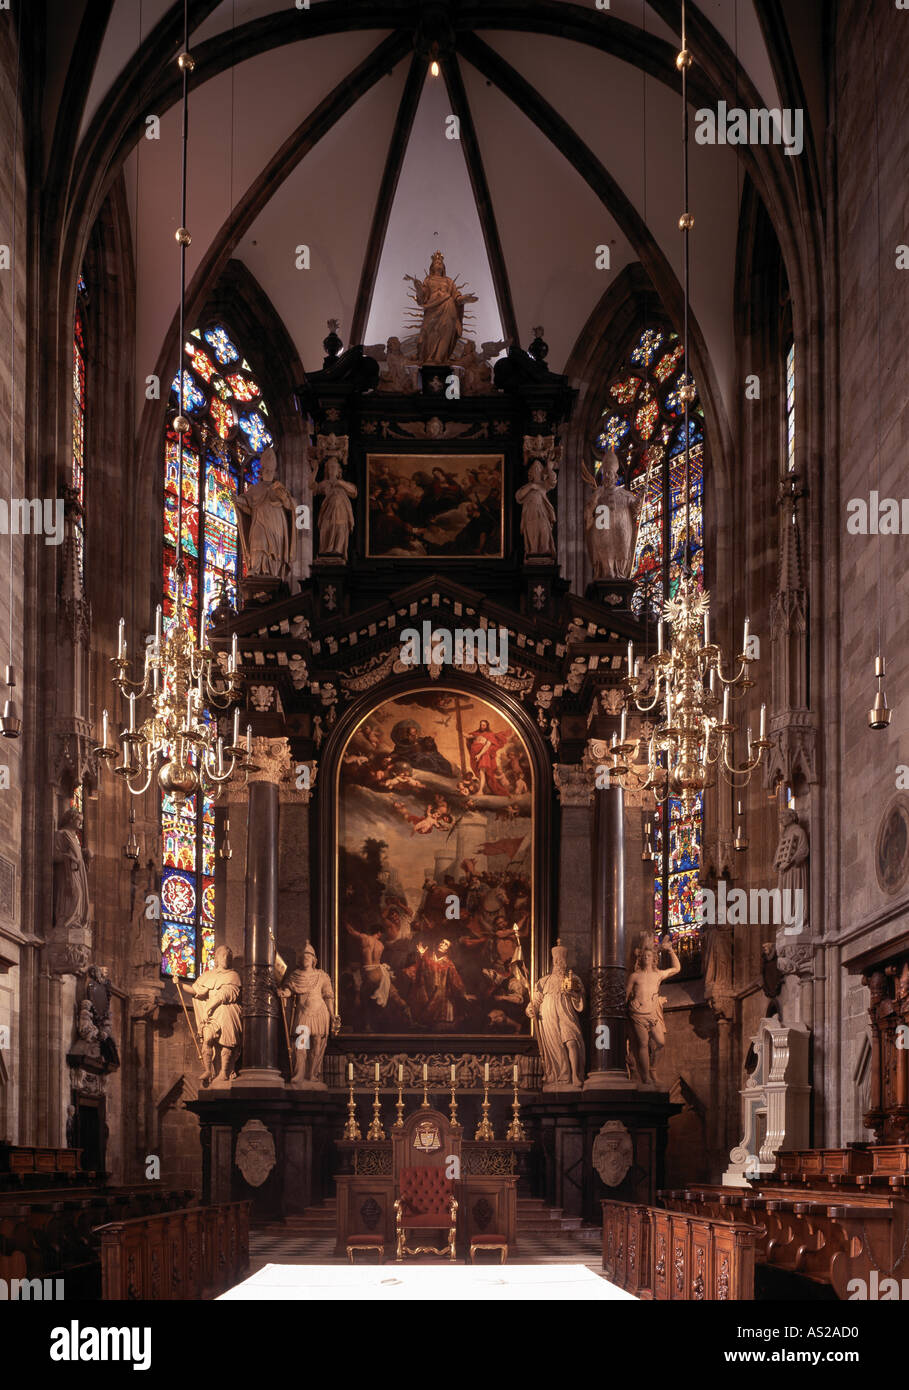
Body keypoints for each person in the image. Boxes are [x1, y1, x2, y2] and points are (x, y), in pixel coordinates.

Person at [232, 446, 295, 579]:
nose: (267, 472)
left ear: (274, 471)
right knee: (258, 541)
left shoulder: (279, 488)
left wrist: (284, 499)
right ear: (261, 471)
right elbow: (246, 503)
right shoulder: (255, 489)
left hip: (276, 523)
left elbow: (292, 506)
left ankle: (274, 572)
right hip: (259, 520)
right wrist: (237, 499)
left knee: (274, 550)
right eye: (265, 470)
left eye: (270, 470)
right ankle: (256, 569)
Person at [278, 944, 338, 1085]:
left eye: (308, 956)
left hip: (320, 1012)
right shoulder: (295, 976)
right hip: (303, 1013)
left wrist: (332, 1014)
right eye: (303, 957)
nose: (306, 959)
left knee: (317, 1044)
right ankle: (299, 1074)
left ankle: (312, 1075)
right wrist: (283, 993)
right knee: (301, 1044)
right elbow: (289, 990)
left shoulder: (322, 976)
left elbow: (328, 996)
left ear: (313, 960)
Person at [527, 942, 585, 1086]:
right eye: (557, 961)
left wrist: (573, 993)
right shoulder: (543, 981)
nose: (559, 963)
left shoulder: (574, 979)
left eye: (562, 960)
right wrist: (531, 1009)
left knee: (572, 1041)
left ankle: (575, 1076)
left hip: (566, 1013)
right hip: (548, 1017)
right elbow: (535, 1001)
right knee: (556, 1047)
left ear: (566, 961)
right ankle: (561, 1076)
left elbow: (580, 999)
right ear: (553, 962)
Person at [626, 935, 681, 1086]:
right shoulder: (635, 976)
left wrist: (670, 951)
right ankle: (646, 1078)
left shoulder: (658, 974)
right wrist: (629, 1006)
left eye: (649, 956)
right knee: (643, 1044)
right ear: (640, 959)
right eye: (644, 956)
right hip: (638, 1014)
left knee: (661, 1042)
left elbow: (677, 968)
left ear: (653, 958)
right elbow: (625, 995)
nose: (646, 958)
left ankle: (653, 1069)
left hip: (653, 1013)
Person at [406, 252, 477, 364]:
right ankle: (429, 357)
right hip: (432, 308)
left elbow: (456, 295)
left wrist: (464, 299)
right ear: (432, 266)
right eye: (436, 262)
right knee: (428, 332)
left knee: (446, 332)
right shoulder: (428, 279)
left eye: (440, 263)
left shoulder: (448, 281)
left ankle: (440, 357)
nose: (439, 264)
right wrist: (417, 285)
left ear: (443, 267)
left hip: (448, 307)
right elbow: (423, 296)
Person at [191, 945, 242, 1084]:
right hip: (212, 1013)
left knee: (227, 1043)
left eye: (228, 956)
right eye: (223, 955)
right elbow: (197, 990)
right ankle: (207, 1069)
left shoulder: (233, 975)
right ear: (217, 958)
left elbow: (228, 993)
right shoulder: (208, 975)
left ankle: (224, 1073)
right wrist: (180, 984)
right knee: (207, 1038)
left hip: (226, 1011)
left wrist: (212, 1003)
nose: (226, 958)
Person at [311, 451, 357, 561]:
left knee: (340, 530)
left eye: (334, 467)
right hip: (328, 513)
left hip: (341, 513)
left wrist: (340, 483)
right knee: (327, 530)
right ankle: (328, 552)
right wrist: (315, 470)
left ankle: (338, 552)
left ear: (339, 471)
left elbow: (354, 492)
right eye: (329, 468)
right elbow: (312, 487)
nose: (332, 470)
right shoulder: (325, 484)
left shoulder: (343, 484)